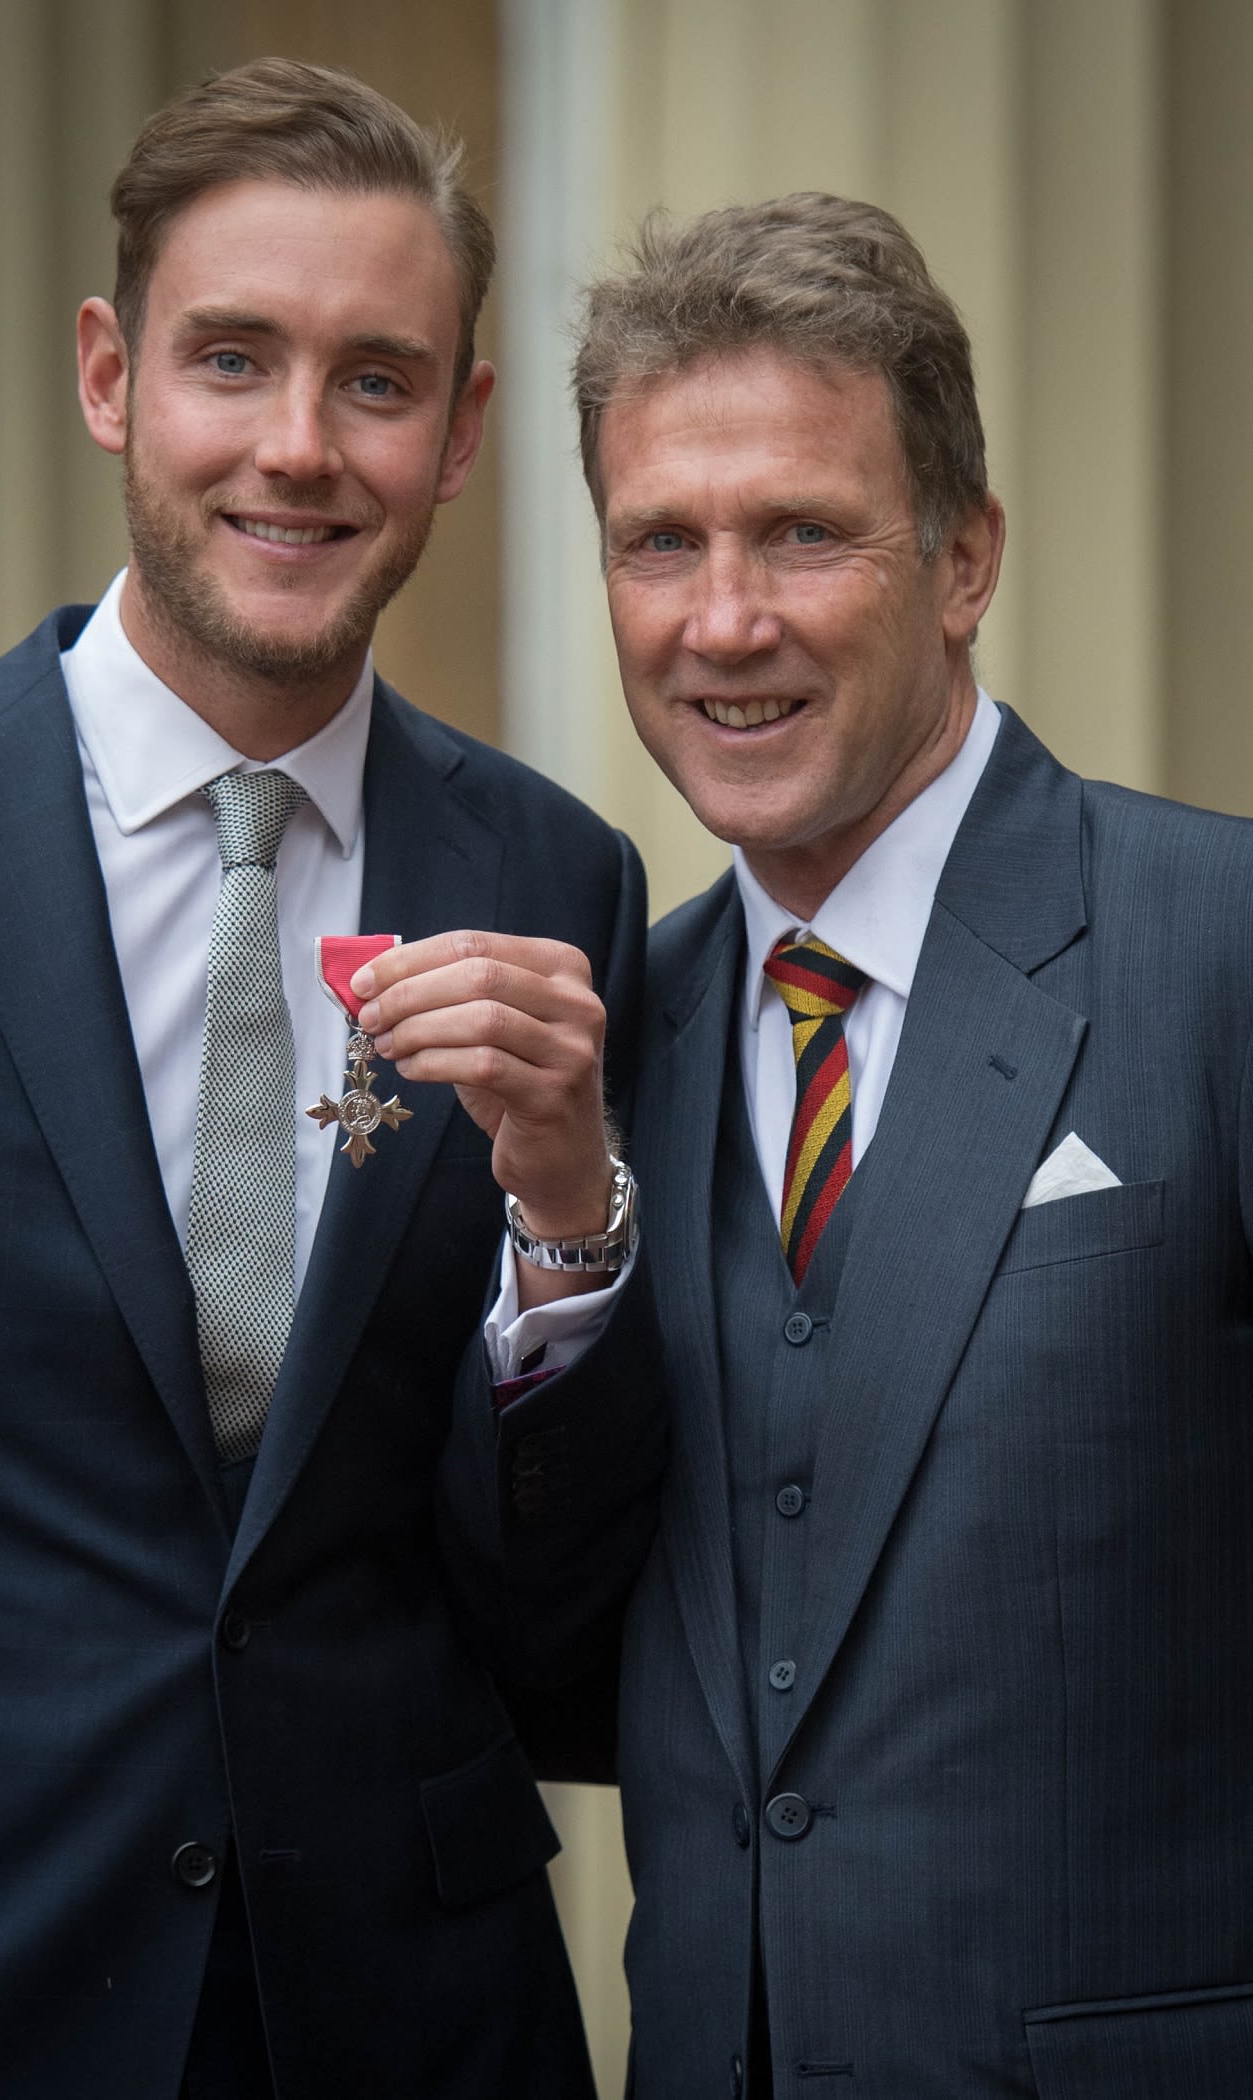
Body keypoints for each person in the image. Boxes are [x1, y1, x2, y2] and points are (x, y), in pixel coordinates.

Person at [0, 59, 661, 2100]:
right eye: (235, 360)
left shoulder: (558, 879)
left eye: (377, 381)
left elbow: (549, 1586)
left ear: (464, 431)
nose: (299, 449)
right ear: (112, 375)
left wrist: (568, 1215)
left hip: (410, 2002)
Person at [573, 194, 1253, 2096]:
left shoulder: (1220, 949)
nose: (727, 620)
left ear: (965, 562)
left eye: (805, 532)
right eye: (660, 545)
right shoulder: (624, 1036)